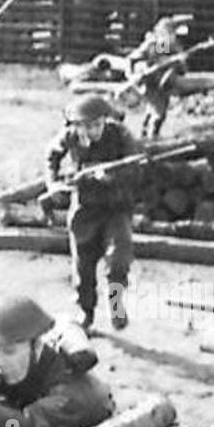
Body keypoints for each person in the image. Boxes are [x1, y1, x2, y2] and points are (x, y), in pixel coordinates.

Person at [0, 297, 115, 427]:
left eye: (9, 352)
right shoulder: (8, 363)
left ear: (37, 347)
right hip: (34, 408)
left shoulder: (68, 394)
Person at [46, 94, 139, 333]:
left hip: (115, 208)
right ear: (76, 125)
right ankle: (85, 312)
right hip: (84, 209)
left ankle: (116, 306)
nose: (92, 131)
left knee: (119, 258)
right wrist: (53, 183)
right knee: (83, 267)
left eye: (97, 125)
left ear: (105, 121)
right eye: (86, 126)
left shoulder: (121, 135)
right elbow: (51, 155)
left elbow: (136, 165)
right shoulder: (70, 137)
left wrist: (112, 177)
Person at [129, 17, 185, 139]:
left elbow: (181, 69)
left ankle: (145, 134)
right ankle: (152, 135)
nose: (169, 36)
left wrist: (178, 61)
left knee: (156, 110)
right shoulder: (153, 44)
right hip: (151, 82)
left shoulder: (172, 46)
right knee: (158, 112)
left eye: (171, 33)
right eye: (166, 33)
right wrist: (137, 72)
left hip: (162, 84)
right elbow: (134, 60)